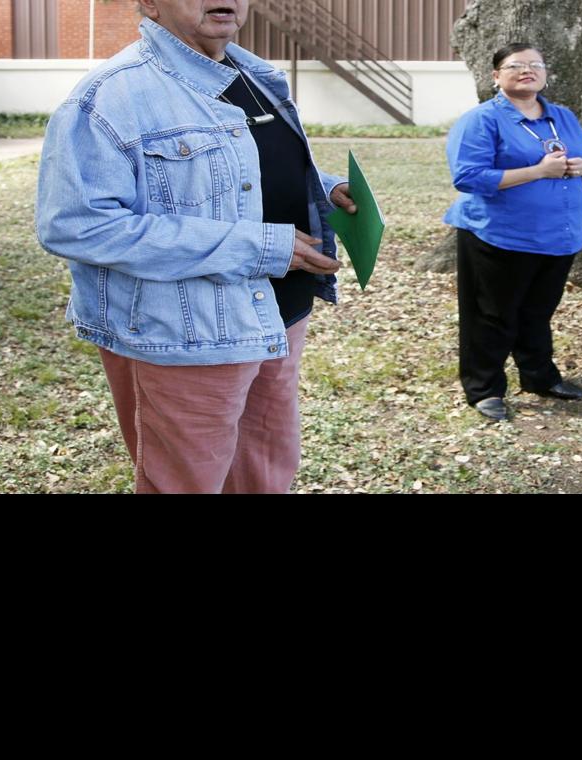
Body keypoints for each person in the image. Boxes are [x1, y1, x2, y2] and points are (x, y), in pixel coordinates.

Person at [35, 0, 355, 493]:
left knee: (266, 474)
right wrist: (257, 247)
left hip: (279, 316)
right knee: (188, 482)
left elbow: (241, 168)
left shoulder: (253, 74)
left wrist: (325, 186)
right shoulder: (110, 95)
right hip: (188, 336)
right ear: (149, 3)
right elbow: (76, 225)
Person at [445, 42, 582, 422]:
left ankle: (539, 377)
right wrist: (538, 171)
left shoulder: (562, 117)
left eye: (536, 65)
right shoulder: (481, 120)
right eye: (516, 65)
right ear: (496, 76)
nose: (527, 70)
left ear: (545, 74)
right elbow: (468, 177)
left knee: (537, 312)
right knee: (492, 316)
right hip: (500, 236)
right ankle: (484, 389)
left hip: (558, 235)